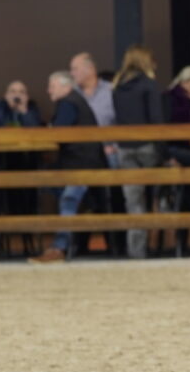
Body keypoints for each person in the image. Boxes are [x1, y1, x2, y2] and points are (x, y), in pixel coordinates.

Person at [31, 71, 108, 264]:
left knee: (68, 199)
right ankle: (73, 238)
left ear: (65, 87)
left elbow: (58, 132)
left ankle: (60, 247)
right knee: (64, 195)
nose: (48, 91)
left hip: (80, 162)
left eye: (52, 86)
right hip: (85, 161)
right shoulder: (76, 101)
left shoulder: (68, 102)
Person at [110, 46, 165, 260]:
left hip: (125, 148)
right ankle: (165, 240)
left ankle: (137, 252)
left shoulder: (117, 86)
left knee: (134, 201)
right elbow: (156, 119)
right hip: (147, 147)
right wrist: (164, 150)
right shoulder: (148, 85)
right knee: (162, 193)